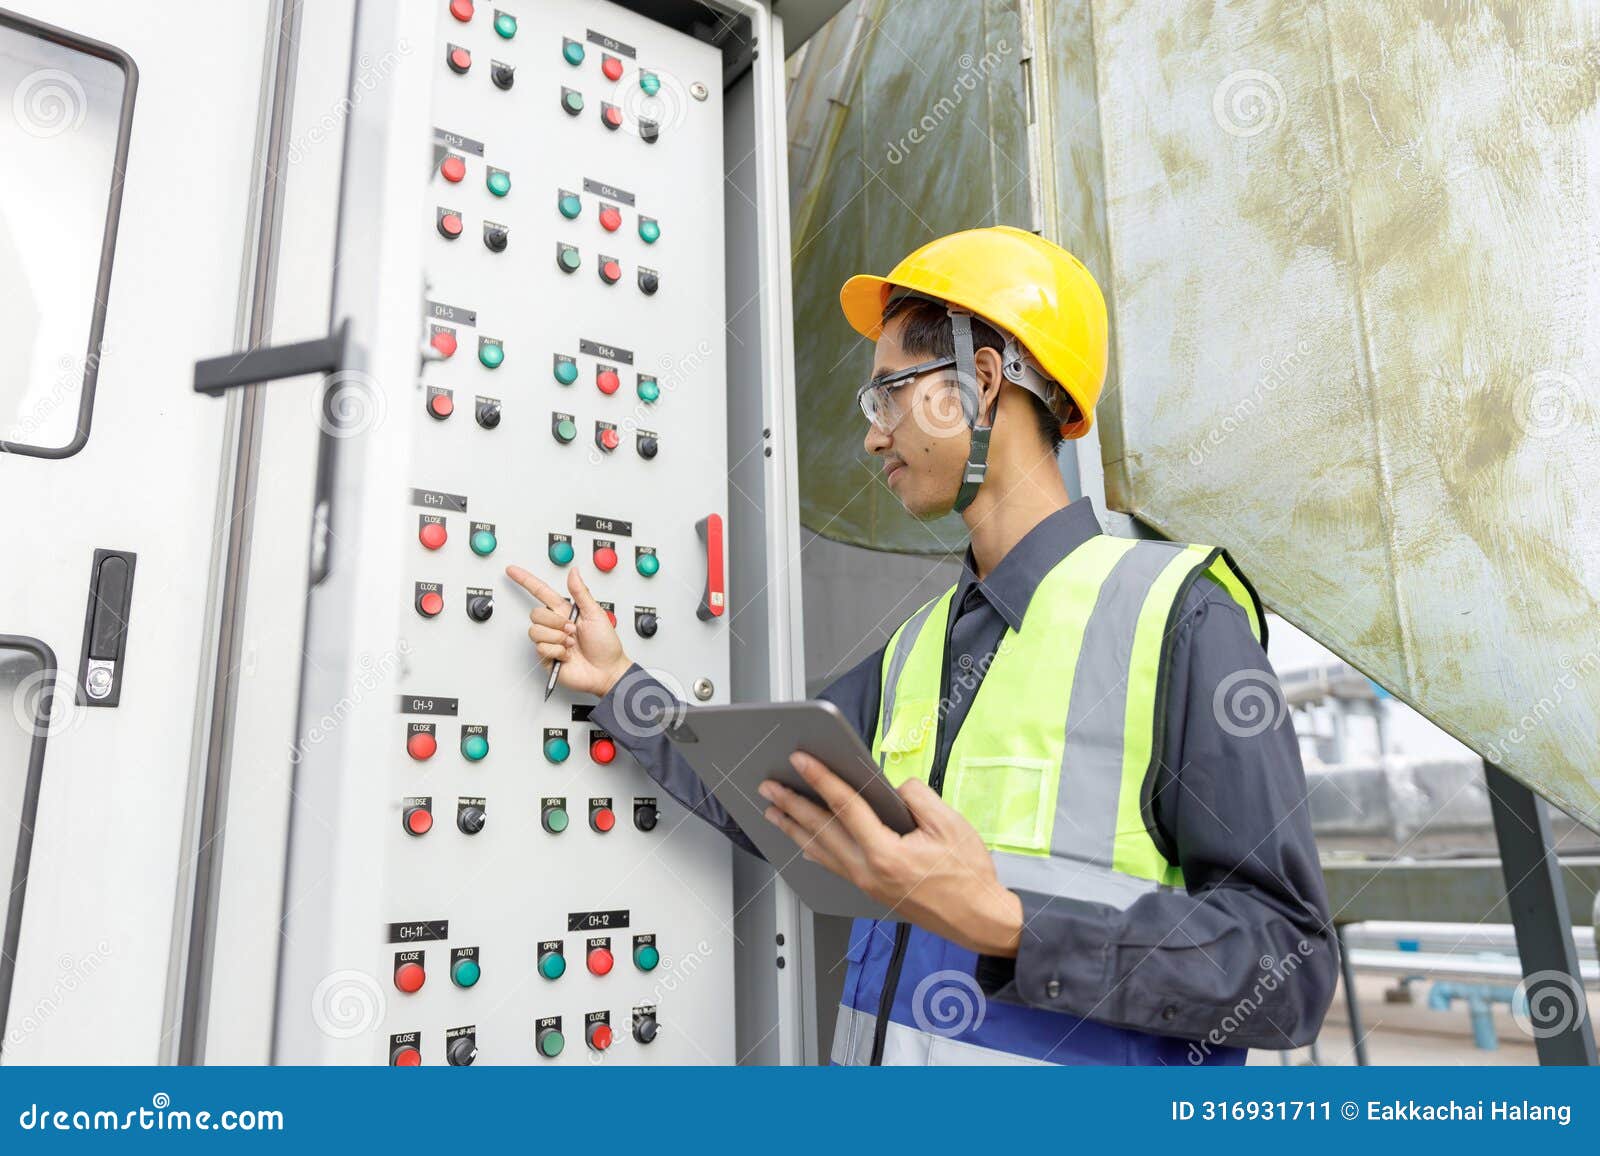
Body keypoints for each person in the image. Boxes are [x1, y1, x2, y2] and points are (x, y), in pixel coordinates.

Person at [507, 226, 1337, 1066]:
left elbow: (1288, 968)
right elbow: (763, 788)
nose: (873, 438)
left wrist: (1006, 923)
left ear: (978, 384)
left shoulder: (1181, 618)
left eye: (888, 396)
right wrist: (618, 683)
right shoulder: (918, 649)